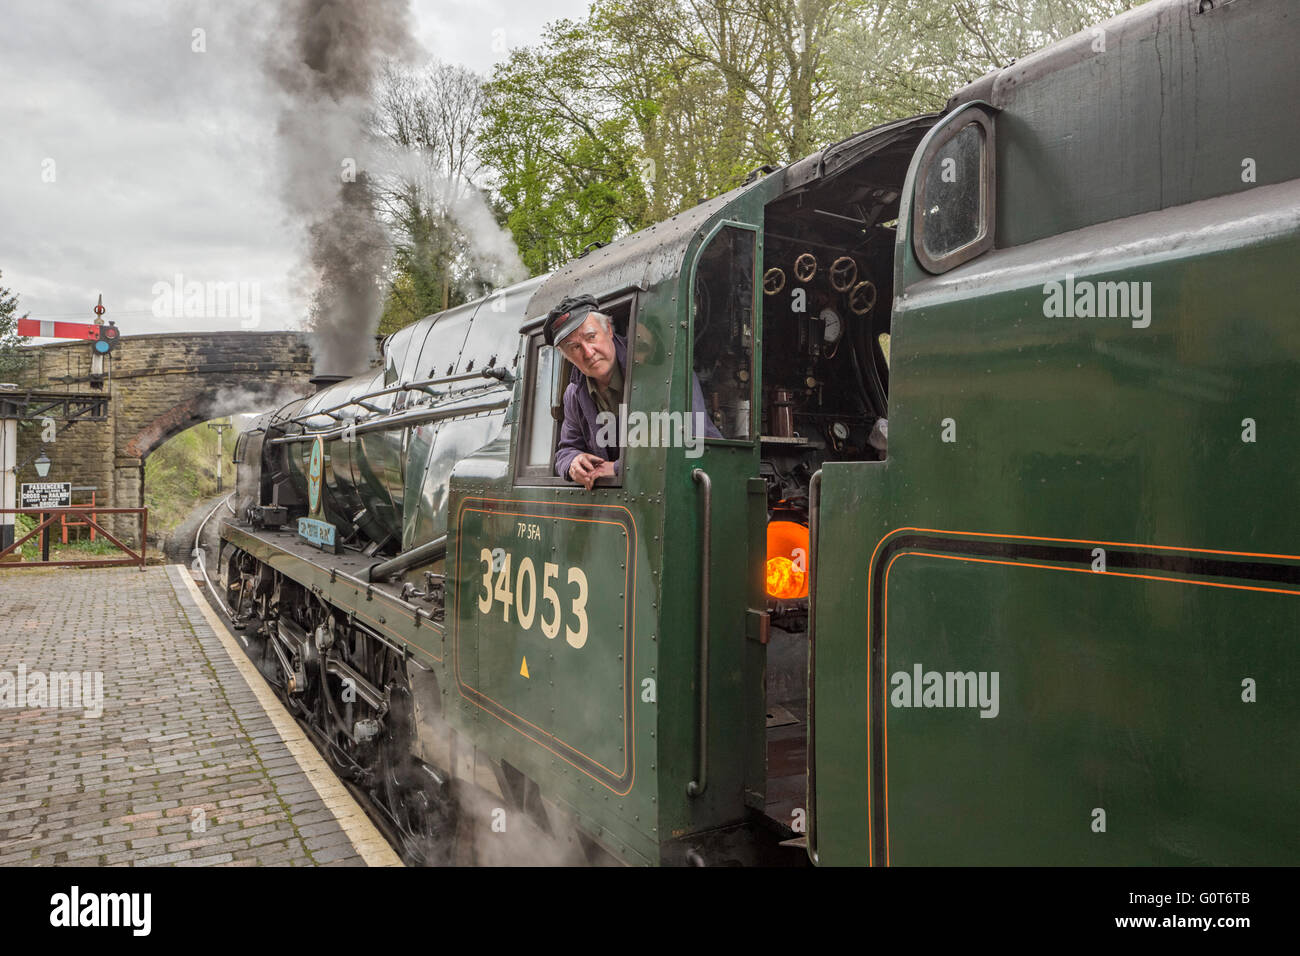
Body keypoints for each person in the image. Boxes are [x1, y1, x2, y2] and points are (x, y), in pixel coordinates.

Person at [544, 294, 720, 489]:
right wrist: (573, 463)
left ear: (608, 330)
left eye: (591, 337)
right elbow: (566, 449)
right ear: (567, 357)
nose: (588, 352)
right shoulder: (574, 394)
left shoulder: (663, 371)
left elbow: (691, 445)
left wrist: (619, 468)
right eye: (575, 347)